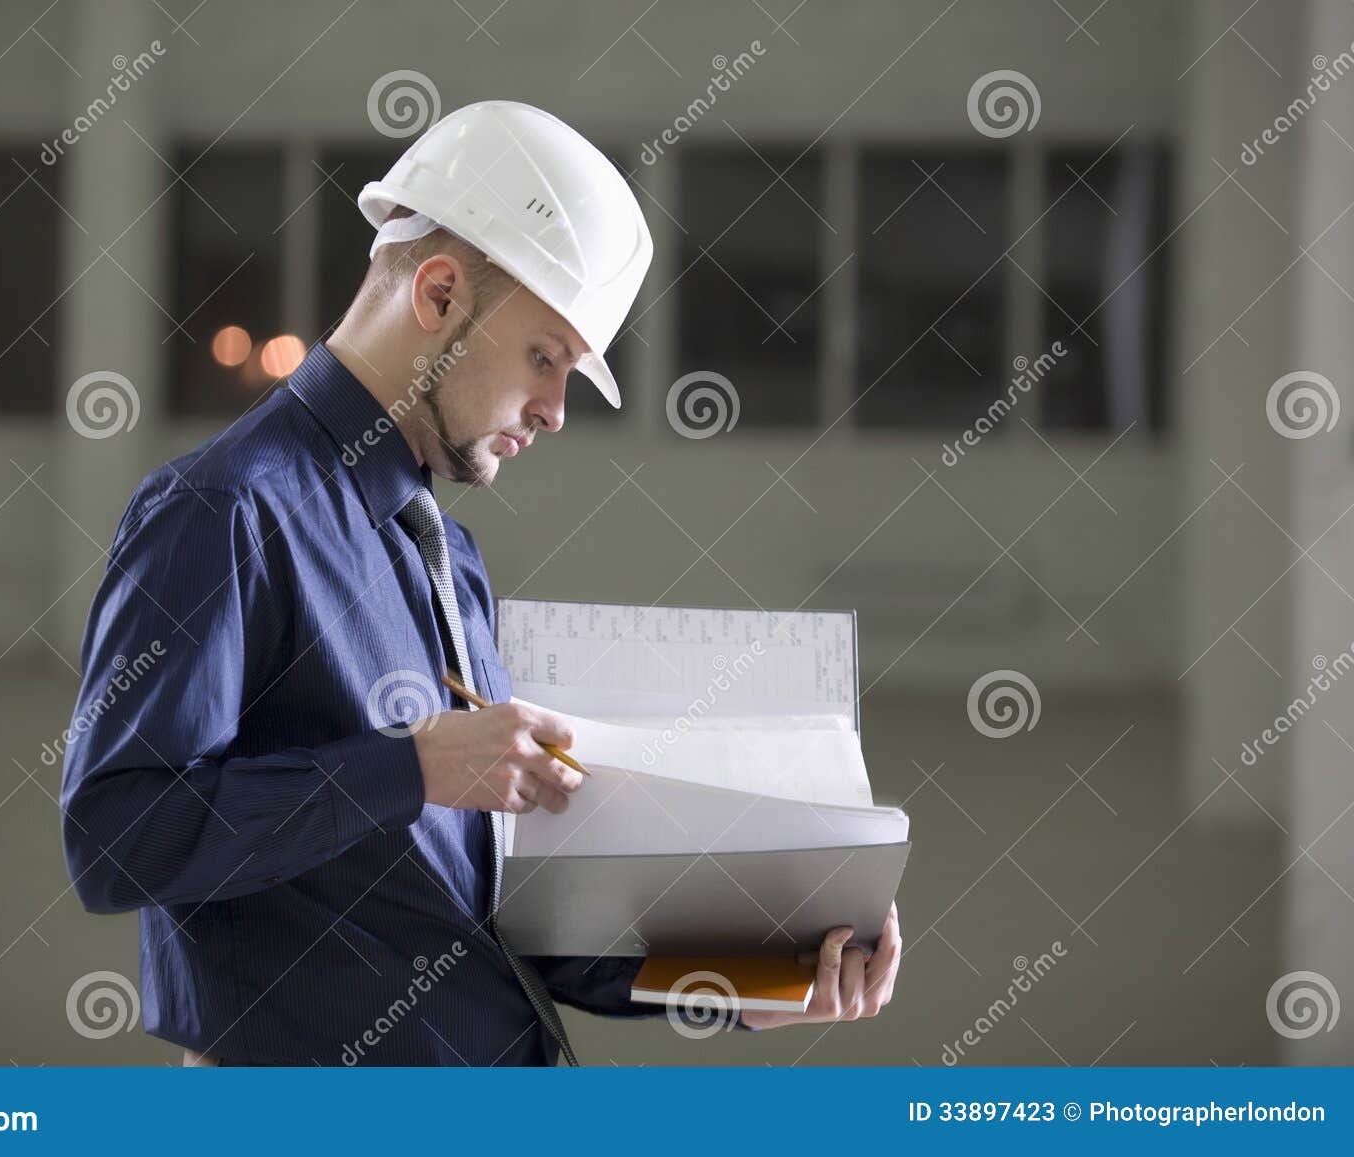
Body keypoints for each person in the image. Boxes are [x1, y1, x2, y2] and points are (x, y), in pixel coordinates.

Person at [58, 100, 901, 1066]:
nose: (552, 411)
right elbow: (120, 838)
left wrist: (760, 979)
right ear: (441, 294)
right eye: (545, 357)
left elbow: (496, 920)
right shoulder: (224, 513)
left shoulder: (448, 561)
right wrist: (409, 767)